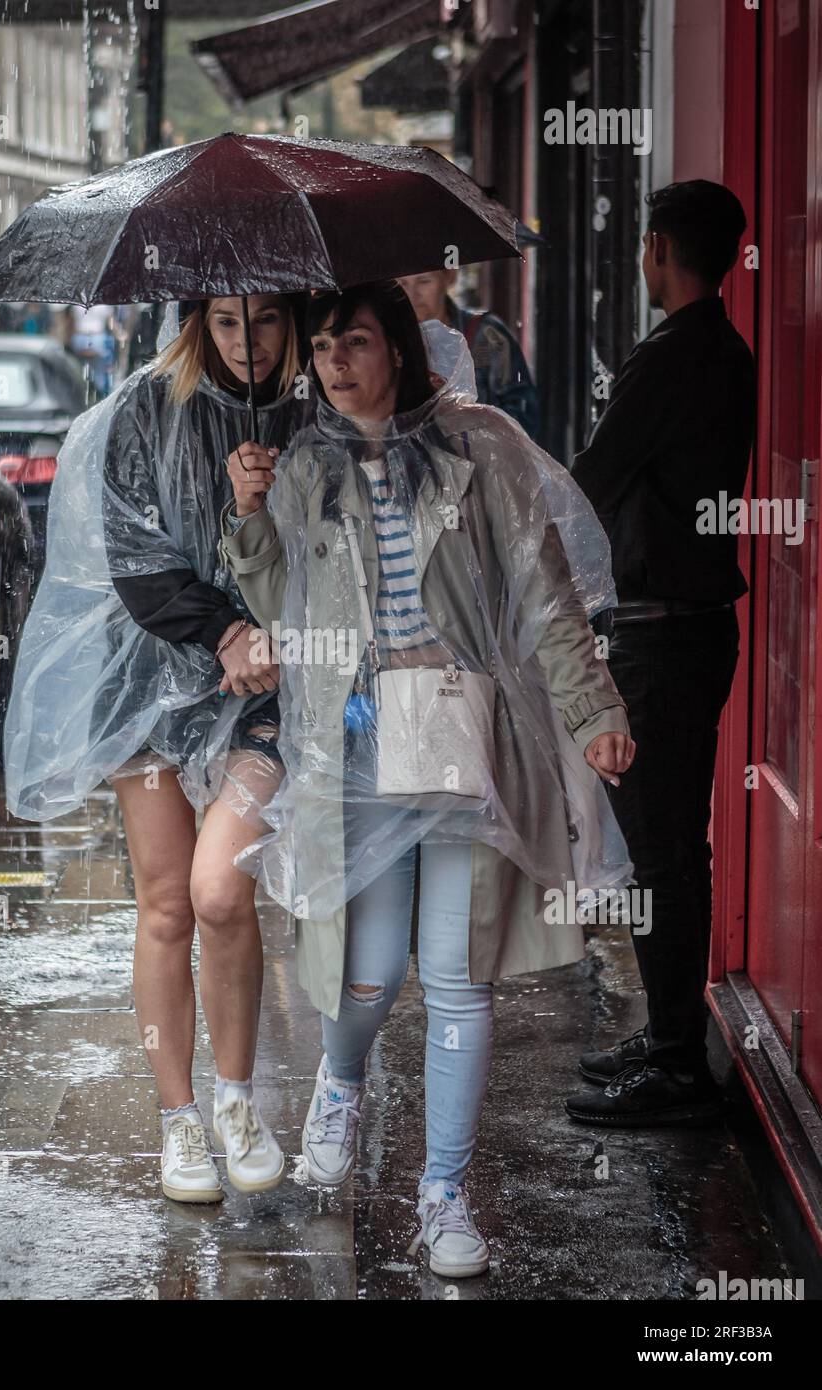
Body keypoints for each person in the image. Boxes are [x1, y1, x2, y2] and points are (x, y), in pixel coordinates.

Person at [220, 281, 635, 1276]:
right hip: (352, 751)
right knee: (369, 973)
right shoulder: (305, 464)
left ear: (396, 350)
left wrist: (592, 710)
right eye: (319, 346)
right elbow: (277, 606)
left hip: (454, 741)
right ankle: (342, 1073)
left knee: (456, 975)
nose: (330, 363)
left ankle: (442, 1192)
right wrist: (250, 518)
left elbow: (546, 592)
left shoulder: (478, 449)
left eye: (351, 342)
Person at [4, 293, 310, 1202]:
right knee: (167, 903)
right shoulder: (142, 408)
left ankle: (237, 1100)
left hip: (265, 689)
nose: (243, 341)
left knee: (223, 894)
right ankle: (179, 1121)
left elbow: (336, 559)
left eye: (261, 322)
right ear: (195, 324)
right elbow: (134, 561)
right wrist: (224, 634)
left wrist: (264, 506)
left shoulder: (311, 414)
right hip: (146, 677)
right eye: (223, 322)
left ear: (291, 322)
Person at [566, 180, 755, 1126]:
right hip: (695, 631)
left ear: (656, 248)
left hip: (658, 639)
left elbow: (588, 482)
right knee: (677, 846)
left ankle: (680, 1068)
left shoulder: (668, 358)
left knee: (659, 854)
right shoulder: (728, 352)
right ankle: (672, 1037)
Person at [397, 268, 540, 440]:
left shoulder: (486, 335)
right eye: (402, 283)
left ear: (450, 276)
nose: (412, 294)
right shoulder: (392, 344)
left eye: (424, 281)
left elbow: (523, 412)